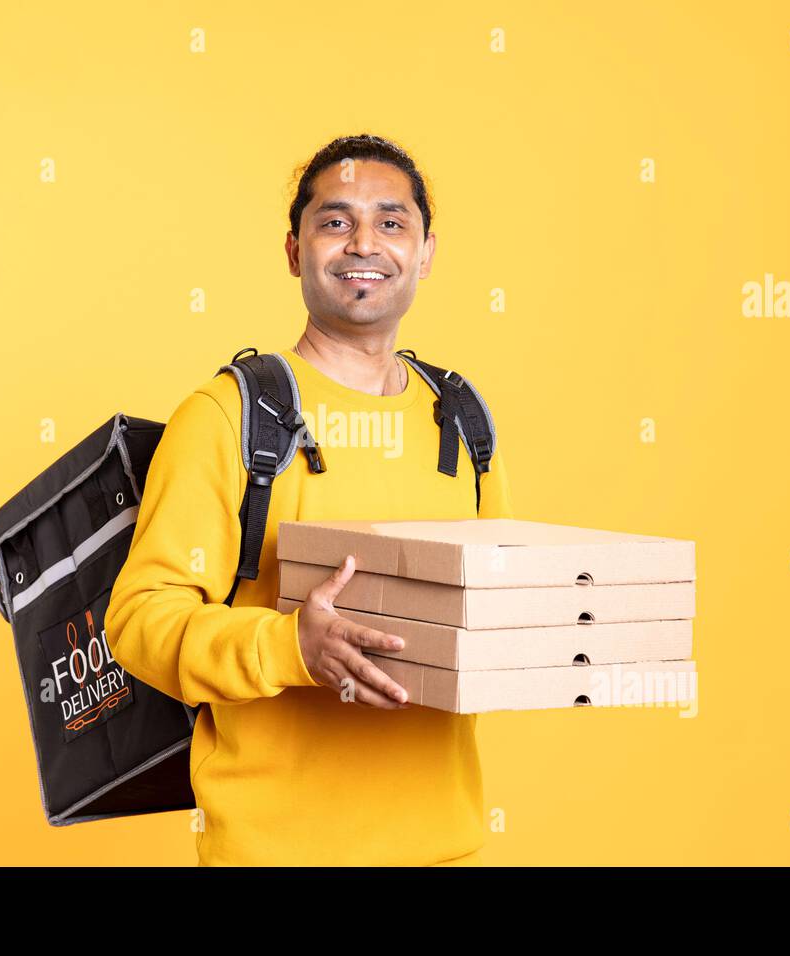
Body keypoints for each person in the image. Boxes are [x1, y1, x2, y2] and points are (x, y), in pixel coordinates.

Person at [104, 133, 514, 866]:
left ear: (425, 254)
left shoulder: (464, 423)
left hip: (446, 851)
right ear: (295, 251)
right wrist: (290, 647)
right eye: (335, 221)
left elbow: (499, 607)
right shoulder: (230, 416)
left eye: (392, 223)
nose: (365, 242)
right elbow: (139, 623)